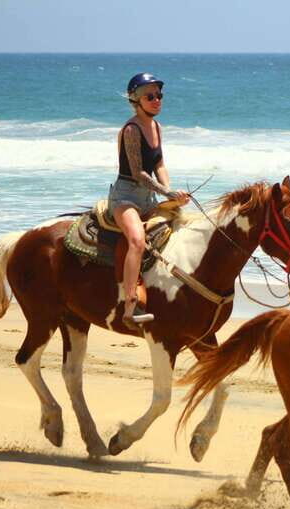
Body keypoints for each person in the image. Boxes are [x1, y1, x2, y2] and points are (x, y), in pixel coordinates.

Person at [108, 73, 190, 328]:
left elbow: (159, 165)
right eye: (150, 96)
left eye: (159, 95)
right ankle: (130, 305)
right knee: (137, 241)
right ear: (136, 100)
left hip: (149, 197)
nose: (157, 100)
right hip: (125, 197)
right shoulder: (131, 130)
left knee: (180, 228)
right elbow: (138, 173)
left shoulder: (157, 127)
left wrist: (172, 193)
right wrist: (166, 193)